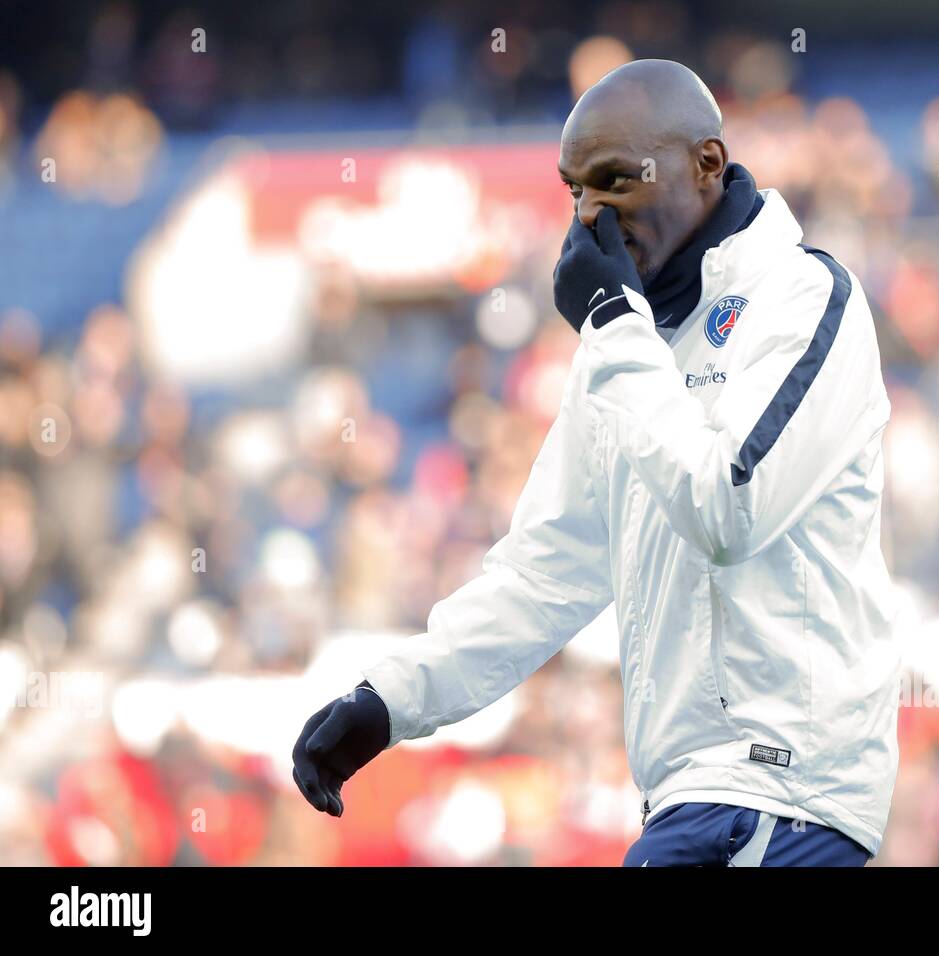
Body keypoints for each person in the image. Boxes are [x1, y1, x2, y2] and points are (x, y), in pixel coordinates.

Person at [293, 59, 899, 867]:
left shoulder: (803, 296)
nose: (592, 219)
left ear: (707, 165)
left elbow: (728, 510)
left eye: (615, 180)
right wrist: (390, 701)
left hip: (781, 789)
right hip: (693, 797)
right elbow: (546, 574)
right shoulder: (625, 347)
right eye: (575, 191)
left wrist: (614, 322)